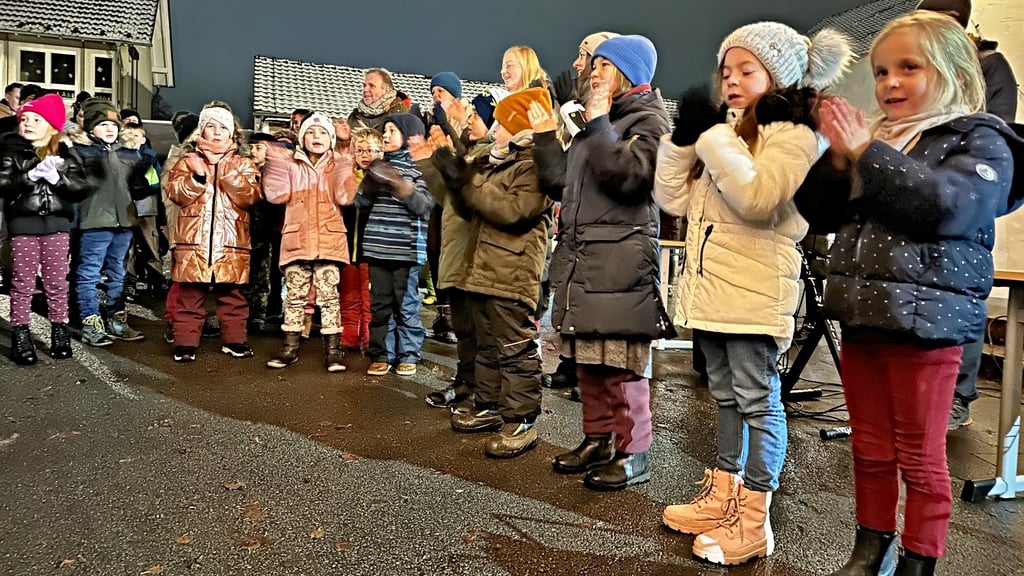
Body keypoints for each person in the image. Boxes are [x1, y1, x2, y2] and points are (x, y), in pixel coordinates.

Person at [796, 11, 1024, 575]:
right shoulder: (877, 140)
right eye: (879, 72)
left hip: (929, 322)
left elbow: (948, 205)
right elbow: (818, 213)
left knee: (921, 457)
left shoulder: (980, 139)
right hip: (864, 312)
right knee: (870, 449)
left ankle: (920, 559)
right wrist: (833, 155)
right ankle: (869, 547)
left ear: (949, 71)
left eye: (907, 68)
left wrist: (869, 153)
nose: (888, 83)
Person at [654, 22, 852, 565]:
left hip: (756, 288)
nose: (732, 81)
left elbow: (758, 198)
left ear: (779, 74)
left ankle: (755, 519)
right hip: (714, 287)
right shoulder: (728, 130)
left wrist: (712, 138)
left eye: (747, 70)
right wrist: (680, 142)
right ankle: (723, 495)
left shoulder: (794, 131)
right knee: (724, 395)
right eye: (726, 71)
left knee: (759, 402)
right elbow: (672, 198)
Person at [529, 34, 671, 491]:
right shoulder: (601, 122)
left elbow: (630, 178)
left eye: (604, 67)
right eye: (596, 66)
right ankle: (597, 439)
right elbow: (558, 182)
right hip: (584, 256)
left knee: (622, 363)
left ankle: (635, 453)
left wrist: (598, 123)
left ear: (629, 74)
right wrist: (546, 137)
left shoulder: (649, 120)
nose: (593, 73)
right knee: (587, 357)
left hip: (621, 258)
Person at [915, 0, 1021, 431]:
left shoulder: (990, 68)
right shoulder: (914, 67)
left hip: (964, 204)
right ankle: (921, 391)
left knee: (959, 299)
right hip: (916, 200)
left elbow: (995, 139)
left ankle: (958, 396)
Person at [433, 87, 555, 458]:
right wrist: (456, 178)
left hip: (512, 268)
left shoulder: (534, 165)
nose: (495, 129)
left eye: (502, 122)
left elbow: (513, 211)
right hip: (486, 266)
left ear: (518, 126)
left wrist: (469, 182)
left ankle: (521, 421)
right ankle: (487, 405)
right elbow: (475, 208)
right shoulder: (503, 161)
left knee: (514, 347)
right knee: (488, 343)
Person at [538, 31, 619, 395]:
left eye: (587, 56)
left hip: (604, 233)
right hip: (576, 223)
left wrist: (584, 121)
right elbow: (564, 178)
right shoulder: (581, 107)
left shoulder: (624, 115)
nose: (577, 64)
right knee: (572, 300)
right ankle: (572, 364)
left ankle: (590, 372)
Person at [163, 102, 262, 363]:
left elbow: (250, 197)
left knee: (232, 297)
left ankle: (235, 341)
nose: (217, 132)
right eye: (210, 126)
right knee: (189, 296)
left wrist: (230, 176)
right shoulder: (187, 161)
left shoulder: (244, 164)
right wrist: (196, 177)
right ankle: (185, 344)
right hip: (194, 240)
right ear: (201, 132)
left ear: (233, 134)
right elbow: (176, 194)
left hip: (232, 242)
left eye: (223, 127)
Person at [0, 94, 90, 364]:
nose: (27, 123)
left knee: (56, 283)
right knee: (23, 283)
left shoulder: (66, 152)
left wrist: (57, 179)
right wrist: (29, 177)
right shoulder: (10, 150)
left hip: (57, 226)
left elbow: (80, 188)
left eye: (36, 119)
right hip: (23, 225)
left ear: (51, 125)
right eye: (24, 119)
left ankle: (59, 332)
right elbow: (3, 184)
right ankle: (21, 333)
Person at [263, 112, 356, 372]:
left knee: (329, 297)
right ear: (302, 138)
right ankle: (289, 347)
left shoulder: (337, 162)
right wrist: (276, 164)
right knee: (294, 297)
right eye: (311, 133)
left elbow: (346, 196)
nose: (317, 137)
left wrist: (345, 154)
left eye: (323, 133)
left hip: (329, 240)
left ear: (331, 138)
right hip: (297, 240)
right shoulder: (290, 163)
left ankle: (333, 350)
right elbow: (276, 195)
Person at [72, 99, 155, 346]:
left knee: (118, 272)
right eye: (102, 124)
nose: (110, 128)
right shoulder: (80, 151)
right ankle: (90, 322)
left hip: (124, 222)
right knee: (88, 273)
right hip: (93, 222)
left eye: (113, 124)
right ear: (89, 127)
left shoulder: (129, 153)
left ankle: (116, 319)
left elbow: (147, 185)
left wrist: (145, 180)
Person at [357, 113, 434, 376]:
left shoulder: (419, 169)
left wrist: (403, 187)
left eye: (393, 130)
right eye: (385, 130)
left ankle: (408, 353)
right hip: (378, 249)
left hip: (406, 251)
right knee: (380, 305)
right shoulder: (377, 167)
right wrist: (369, 182)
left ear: (409, 136)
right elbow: (360, 203)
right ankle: (381, 354)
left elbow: (425, 206)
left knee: (406, 304)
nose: (386, 135)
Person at [340, 128, 383, 352]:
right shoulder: (347, 177)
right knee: (348, 296)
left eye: (371, 150)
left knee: (370, 300)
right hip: (347, 249)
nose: (365, 154)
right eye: (360, 150)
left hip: (372, 252)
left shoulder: (383, 179)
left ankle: (370, 339)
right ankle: (348, 338)